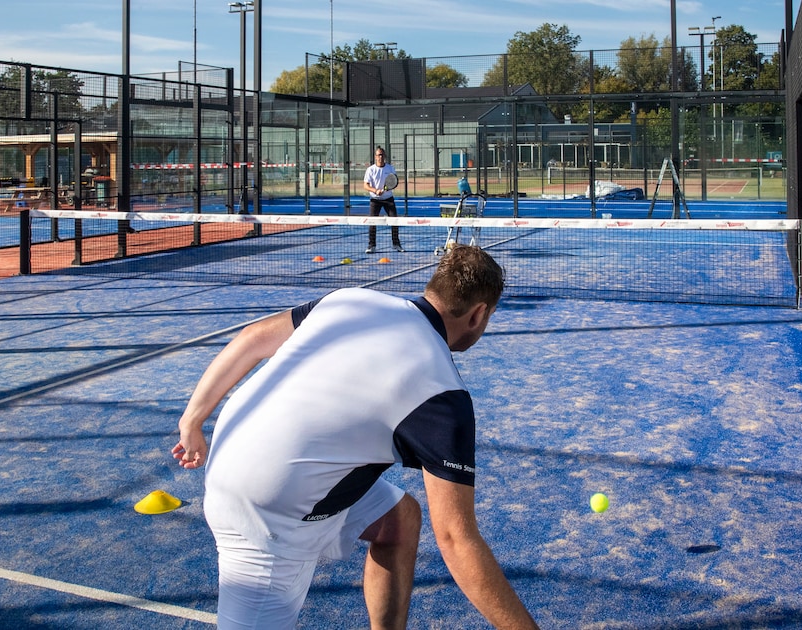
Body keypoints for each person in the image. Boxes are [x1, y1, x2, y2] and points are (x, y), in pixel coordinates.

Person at [171, 245, 538, 630]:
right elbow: (455, 539)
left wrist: (192, 420)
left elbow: (253, 338)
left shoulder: (349, 300)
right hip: (267, 516)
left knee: (399, 520)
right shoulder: (443, 396)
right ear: (479, 314)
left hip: (231, 459)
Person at [363, 146, 404, 254]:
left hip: (388, 199)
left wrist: (386, 189)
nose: (380, 157)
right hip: (375, 200)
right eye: (378, 155)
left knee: (394, 221)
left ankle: (396, 244)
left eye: (381, 155)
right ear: (375, 157)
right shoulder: (370, 170)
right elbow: (366, 185)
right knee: (372, 222)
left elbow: (394, 182)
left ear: (384, 156)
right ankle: (371, 245)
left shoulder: (390, 168)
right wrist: (375, 190)